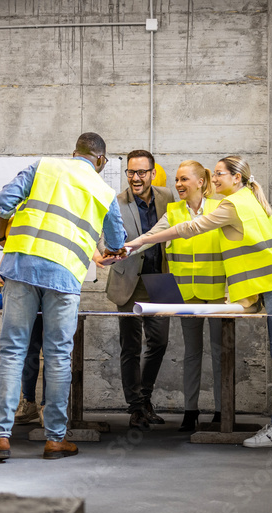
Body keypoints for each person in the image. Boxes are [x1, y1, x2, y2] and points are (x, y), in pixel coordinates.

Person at [124, 155, 272, 448]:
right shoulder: (247, 200)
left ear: (237, 177)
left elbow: (190, 228)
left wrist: (141, 241)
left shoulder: (231, 205)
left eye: (219, 173)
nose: (214, 178)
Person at [0, 132, 127, 461]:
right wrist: (109, 250)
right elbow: (116, 242)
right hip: (63, 277)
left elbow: (2, 202)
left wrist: (1, 235)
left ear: (74, 153)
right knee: (58, 357)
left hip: (21, 267)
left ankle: (1, 438)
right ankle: (54, 440)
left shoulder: (43, 167)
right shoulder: (103, 191)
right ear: (101, 160)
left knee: (12, 352)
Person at [133, 160, 224, 432]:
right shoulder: (173, 212)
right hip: (187, 297)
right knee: (192, 354)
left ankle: (222, 411)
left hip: (218, 295)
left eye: (184, 179)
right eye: (176, 179)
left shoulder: (220, 208)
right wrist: (121, 251)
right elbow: (150, 237)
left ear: (200, 182)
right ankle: (190, 411)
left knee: (220, 353)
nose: (178, 184)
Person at [103, 149, 178, 430]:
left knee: (159, 343)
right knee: (131, 347)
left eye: (142, 172)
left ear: (152, 173)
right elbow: (103, 237)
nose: (136, 178)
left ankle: (145, 399)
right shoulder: (115, 201)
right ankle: (136, 407)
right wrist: (107, 252)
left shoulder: (168, 196)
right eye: (131, 172)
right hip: (128, 281)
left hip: (161, 280)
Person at [13, 313, 45, 426]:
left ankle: (47, 407)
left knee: (52, 354)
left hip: (54, 305)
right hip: (31, 307)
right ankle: (29, 402)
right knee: (30, 351)